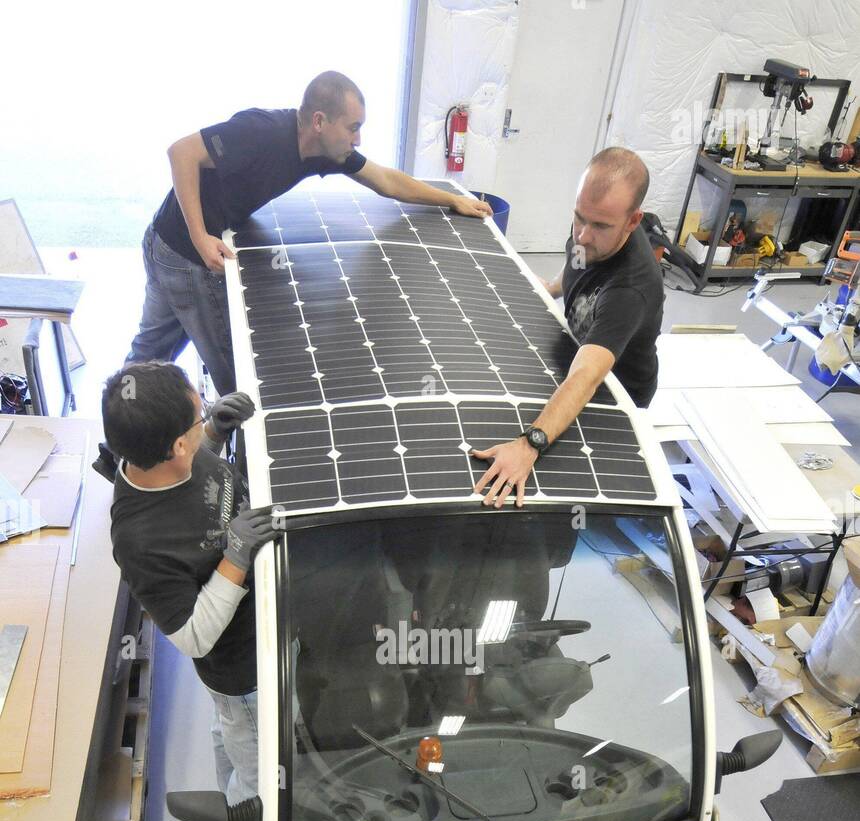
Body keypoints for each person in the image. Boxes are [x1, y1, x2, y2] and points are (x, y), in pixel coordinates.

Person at [126, 70, 492, 394]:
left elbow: (385, 180)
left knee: (149, 353)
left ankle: (116, 448)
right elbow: (181, 152)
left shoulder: (323, 153)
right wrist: (199, 236)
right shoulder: (262, 132)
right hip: (184, 256)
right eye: (353, 127)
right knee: (236, 378)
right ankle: (233, 458)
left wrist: (450, 200)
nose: (359, 139)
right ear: (320, 121)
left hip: (162, 239)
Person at [103, 361, 279, 821]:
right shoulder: (139, 539)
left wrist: (215, 434)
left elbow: (199, 498)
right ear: (175, 447)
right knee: (261, 773)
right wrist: (238, 555)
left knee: (230, 738)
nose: (204, 416)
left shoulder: (173, 455)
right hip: (241, 668)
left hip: (250, 651)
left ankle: (232, 816)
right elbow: (195, 637)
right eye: (197, 416)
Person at [471, 147, 664, 508]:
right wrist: (552, 288)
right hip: (578, 357)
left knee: (565, 487)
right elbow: (577, 262)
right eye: (579, 218)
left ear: (633, 221)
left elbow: (586, 377)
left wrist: (530, 444)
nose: (583, 235)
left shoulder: (631, 288)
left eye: (601, 226)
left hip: (613, 395)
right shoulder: (591, 224)